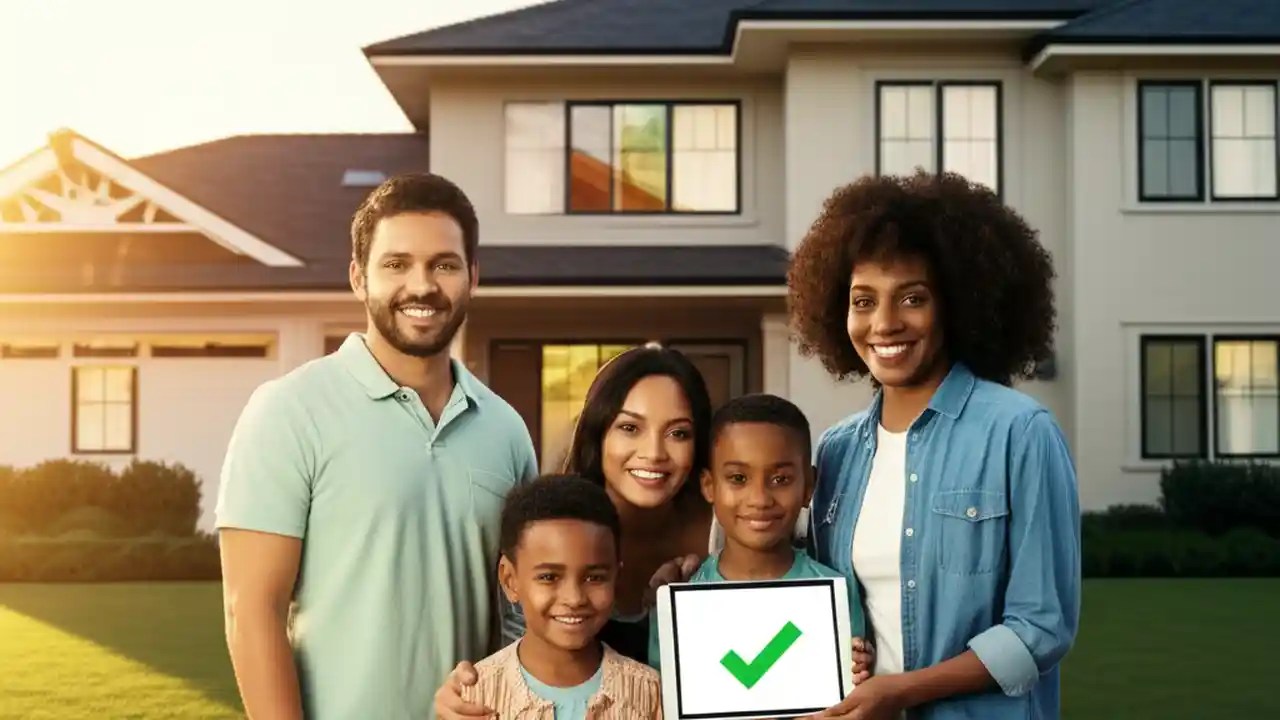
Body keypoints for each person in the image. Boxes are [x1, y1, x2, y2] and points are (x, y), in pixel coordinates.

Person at [215, 173, 538, 720]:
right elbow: (252, 612)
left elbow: (522, 614)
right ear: (358, 279)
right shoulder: (289, 412)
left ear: (472, 277)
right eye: (396, 264)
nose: (422, 286)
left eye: (444, 264)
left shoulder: (505, 430)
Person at [788, 171, 1081, 720]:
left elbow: (1041, 629)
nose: (884, 323)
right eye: (863, 300)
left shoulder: (1021, 432)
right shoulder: (836, 452)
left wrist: (901, 691)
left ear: (957, 303)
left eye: (912, 298)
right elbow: (804, 586)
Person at [435, 343, 714, 719]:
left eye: (678, 433)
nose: (654, 453)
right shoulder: (554, 526)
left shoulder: (727, 534)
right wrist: (467, 689)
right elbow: (517, 636)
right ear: (598, 435)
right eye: (630, 427)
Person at [645, 393, 872, 683]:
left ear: (808, 487)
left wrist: (857, 671)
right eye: (738, 478)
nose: (760, 499)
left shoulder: (835, 591)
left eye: (780, 480)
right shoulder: (678, 602)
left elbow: (846, 695)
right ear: (709, 486)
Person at [462, 473, 662, 720]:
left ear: (616, 578)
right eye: (548, 577)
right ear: (510, 580)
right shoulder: (472, 699)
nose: (574, 598)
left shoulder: (651, 694)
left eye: (594, 577)